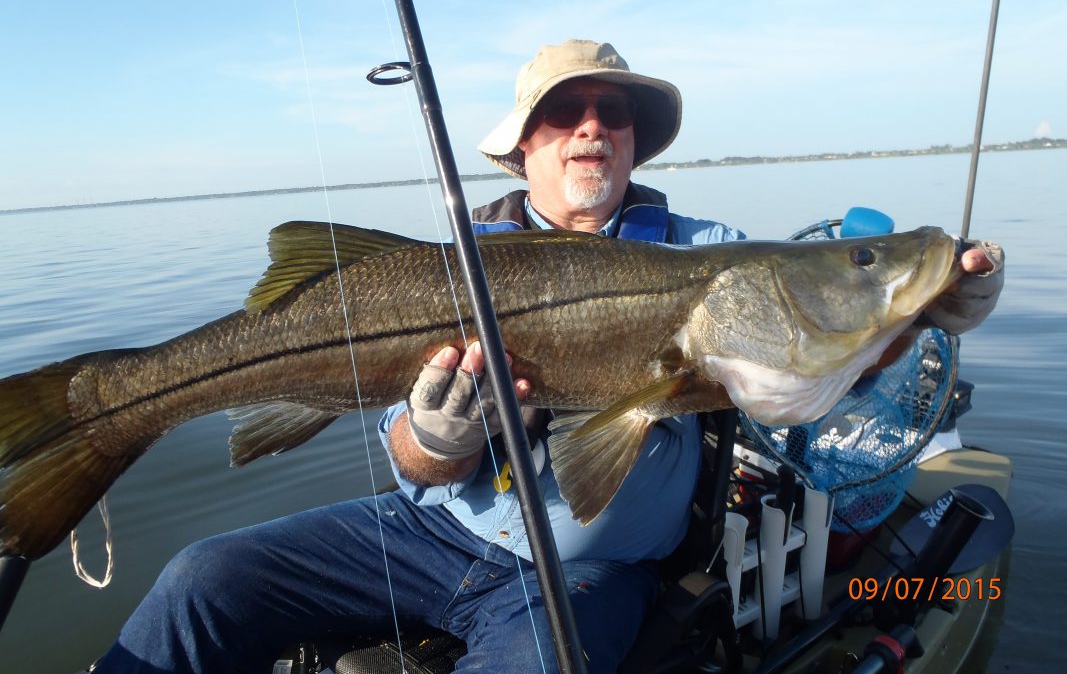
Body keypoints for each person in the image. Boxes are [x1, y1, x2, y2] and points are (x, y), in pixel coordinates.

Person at [92, 39, 1003, 674]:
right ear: (524, 145)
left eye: (615, 113)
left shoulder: (711, 253)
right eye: (566, 112)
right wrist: (438, 436)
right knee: (204, 578)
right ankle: (110, 406)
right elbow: (409, 461)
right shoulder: (446, 266)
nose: (592, 128)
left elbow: (805, 370)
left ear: (634, 140)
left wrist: (922, 313)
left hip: (585, 574)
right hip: (424, 533)